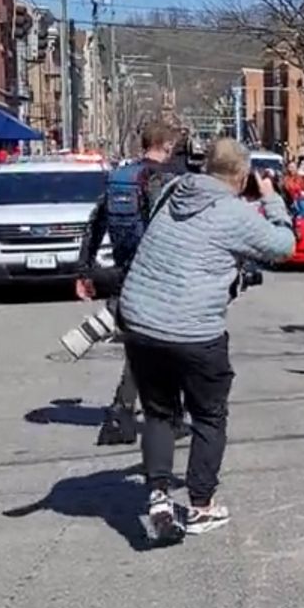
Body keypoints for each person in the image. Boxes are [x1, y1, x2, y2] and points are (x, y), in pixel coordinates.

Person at [119, 138, 297, 543]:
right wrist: (270, 198)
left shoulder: (173, 190)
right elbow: (283, 246)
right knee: (208, 416)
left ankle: (160, 495)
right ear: (242, 174)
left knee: (160, 414)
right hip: (194, 330)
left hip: (142, 322)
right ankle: (200, 506)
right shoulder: (233, 213)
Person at [76, 121, 184, 445]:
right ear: (165, 146)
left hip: (126, 271)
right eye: (173, 148)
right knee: (163, 345)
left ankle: (163, 415)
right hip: (159, 274)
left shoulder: (120, 178)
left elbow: (95, 223)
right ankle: (127, 413)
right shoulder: (163, 180)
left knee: (149, 344)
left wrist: (84, 269)